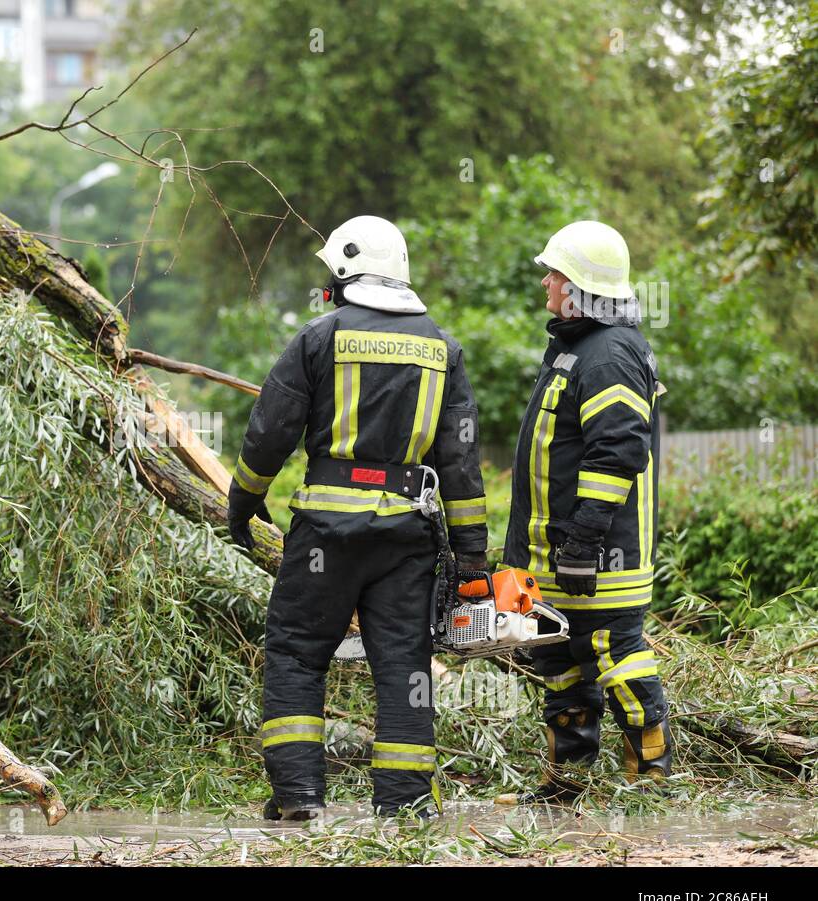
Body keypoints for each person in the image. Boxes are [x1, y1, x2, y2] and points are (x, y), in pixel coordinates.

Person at [227, 216, 488, 820]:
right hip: (406, 536)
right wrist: (472, 553)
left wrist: (243, 503)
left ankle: (298, 800)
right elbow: (460, 458)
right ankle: (403, 805)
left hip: (326, 532)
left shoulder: (320, 338)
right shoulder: (441, 349)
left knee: (296, 654)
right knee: (402, 667)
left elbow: (270, 432)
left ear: (344, 271)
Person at [502, 220, 673, 799]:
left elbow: (618, 452)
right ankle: (565, 785)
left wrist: (583, 542)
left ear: (577, 287)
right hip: (562, 558)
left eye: (554, 274)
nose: (546, 285)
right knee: (563, 667)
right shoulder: (581, 348)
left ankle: (649, 782)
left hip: (601, 558)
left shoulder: (609, 355)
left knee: (616, 658)